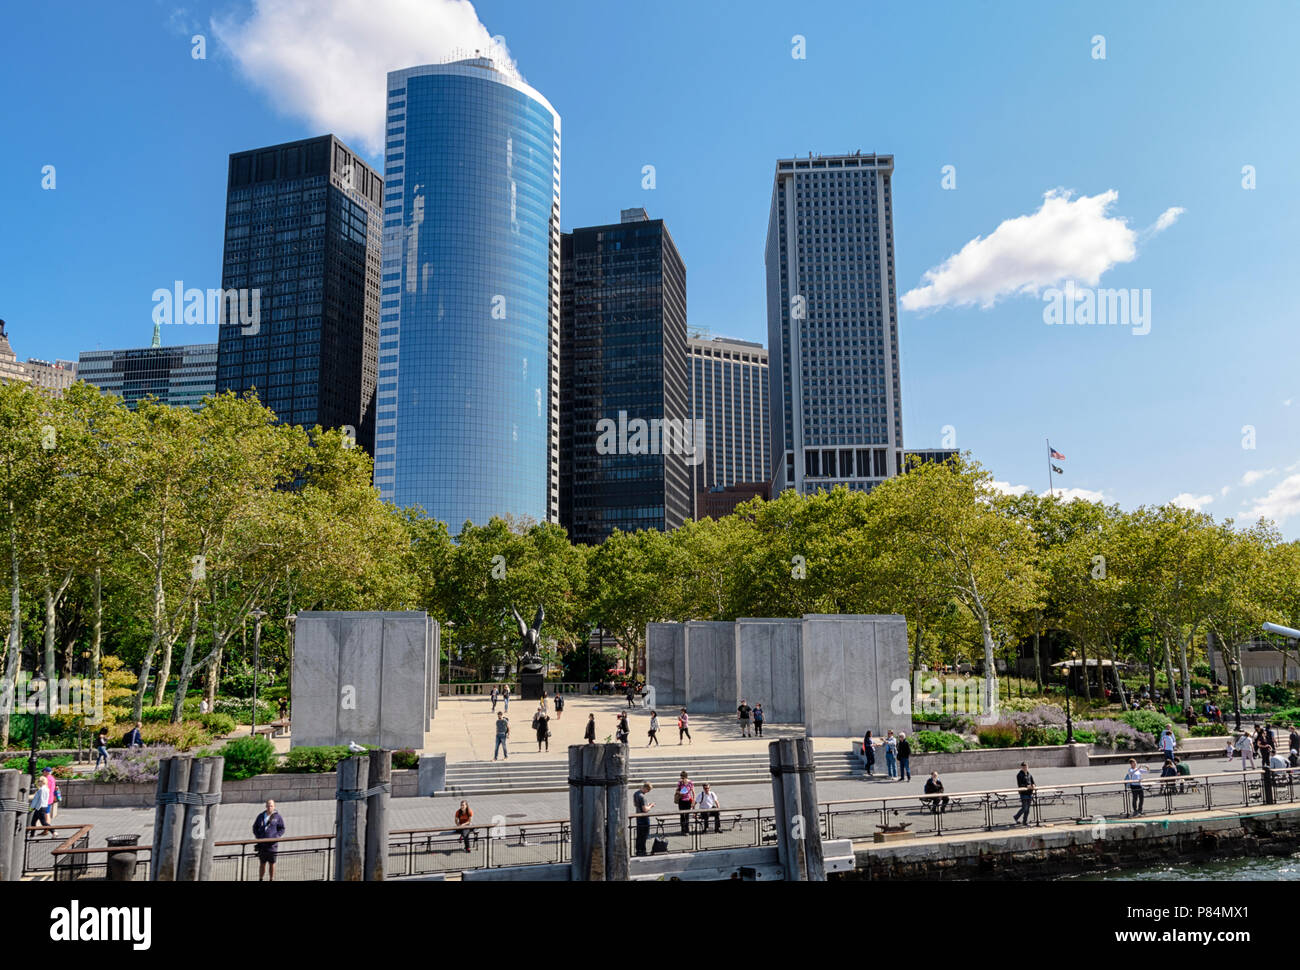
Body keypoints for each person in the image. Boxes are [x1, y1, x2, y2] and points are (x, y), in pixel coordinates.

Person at [252, 799, 285, 880]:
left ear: (274, 806)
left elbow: (282, 828)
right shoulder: (261, 816)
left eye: (271, 806)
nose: (269, 807)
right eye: (268, 806)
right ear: (266, 806)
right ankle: (261, 878)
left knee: (272, 863)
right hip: (262, 845)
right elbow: (254, 827)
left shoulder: (277, 817)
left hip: (272, 845)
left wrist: (276, 836)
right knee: (262, 863)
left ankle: (271, 879)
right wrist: (258, 836)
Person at [633, 783, 654, 856]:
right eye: (648, 790)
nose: (647, 792)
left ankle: (638, 850)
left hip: (638, 816)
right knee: (644, 835)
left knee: (639, 835)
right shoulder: (642, 797)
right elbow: (645, 810)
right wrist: (651, 806)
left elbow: (635, 805)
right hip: (644, 817)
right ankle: (642, 851)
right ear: (645, 788)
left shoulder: (636, 793)